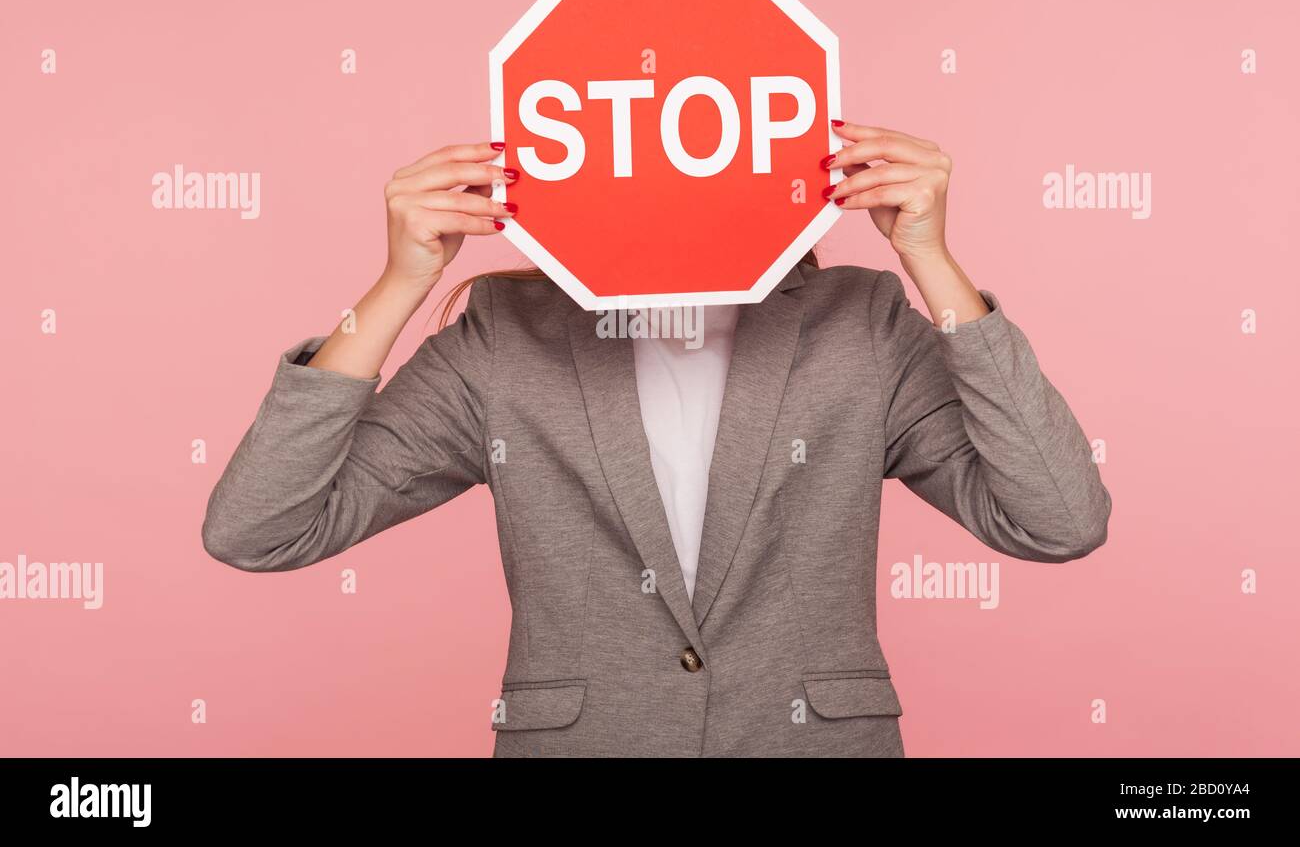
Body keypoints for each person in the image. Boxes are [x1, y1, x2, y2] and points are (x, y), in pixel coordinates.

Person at [202, 121, 1111, 757]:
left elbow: (1058, 518)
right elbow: (261, 527)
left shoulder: (859, 324)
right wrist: (400, 283)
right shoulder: (504, 336)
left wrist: (933, 262)